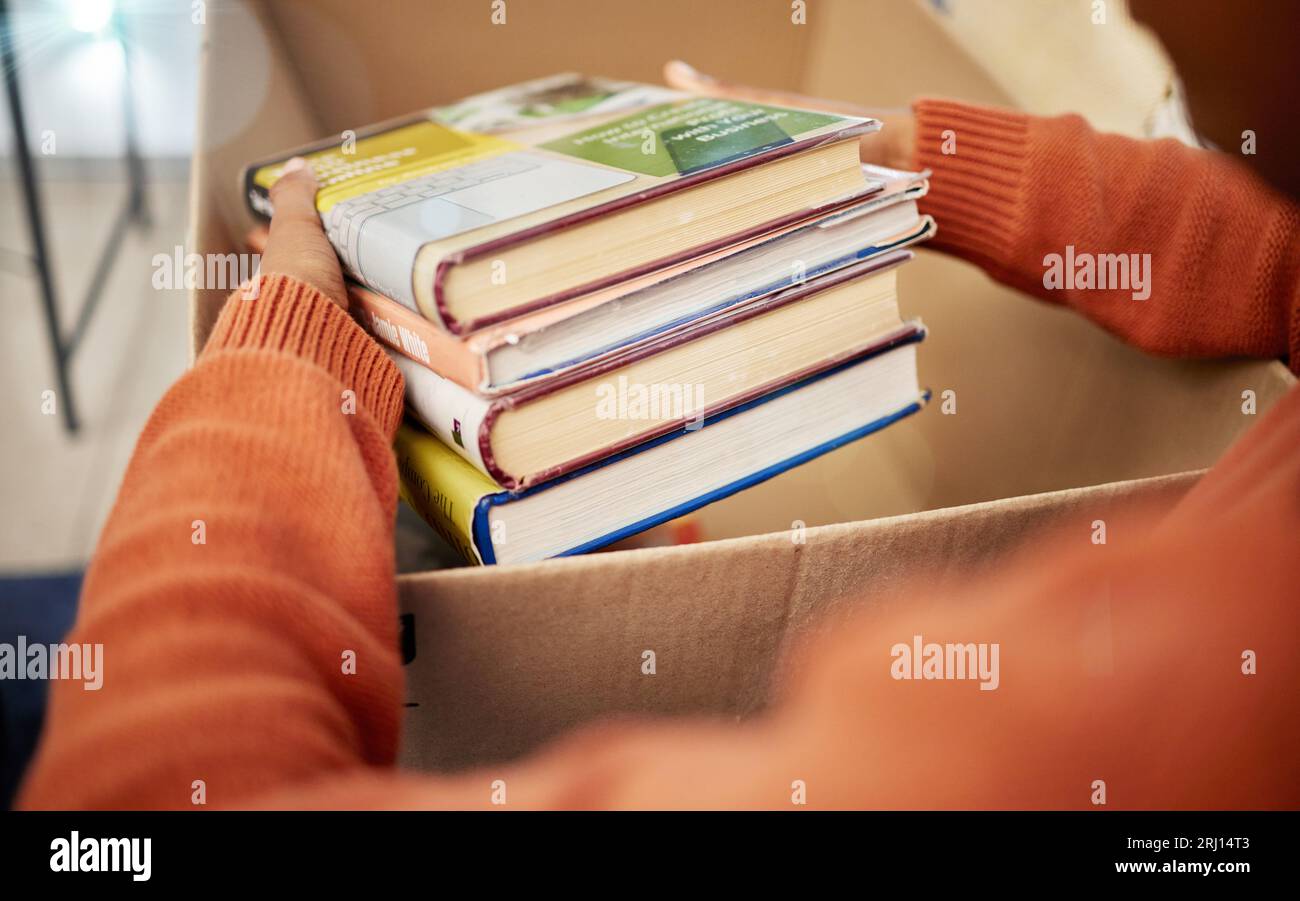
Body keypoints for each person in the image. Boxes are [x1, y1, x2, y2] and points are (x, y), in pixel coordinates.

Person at [17, 3, 1299, 809]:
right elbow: (1270, 249)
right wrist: (915, 162)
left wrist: (287, 359)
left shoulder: (1149, 718)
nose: (1139, 14)